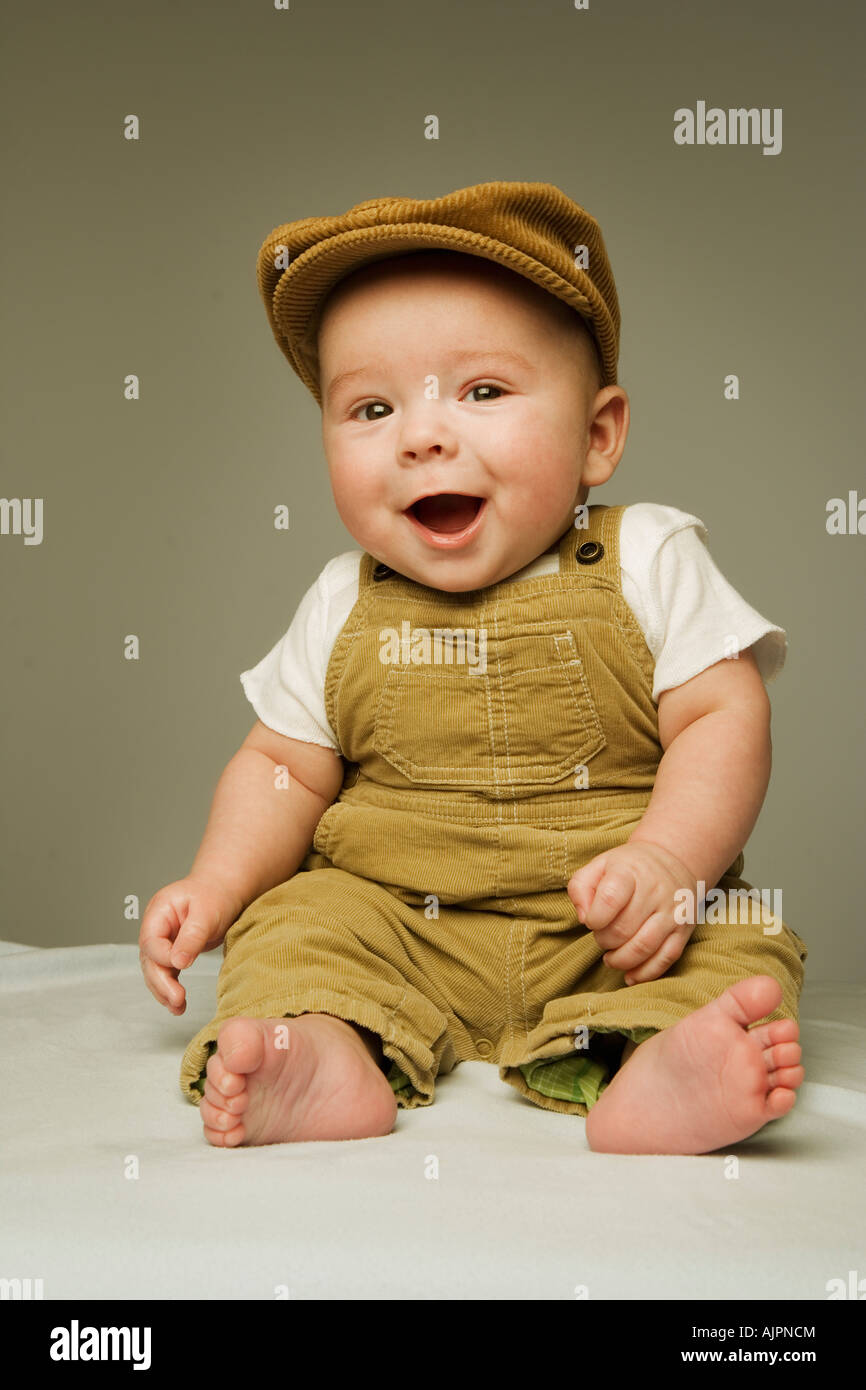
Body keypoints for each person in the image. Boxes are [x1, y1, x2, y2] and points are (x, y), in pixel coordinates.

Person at [139, 180, 808, 1154]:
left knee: (733, 937)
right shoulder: (341, 599)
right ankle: (323, 1050)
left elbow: (721, 717)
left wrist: (669, 863)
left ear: (596, 436)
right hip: (393, 929)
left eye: (482, 391)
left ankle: (654, 1062)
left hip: (615, 936)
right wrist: (216, 880)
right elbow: (280, 765)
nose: (420, 434)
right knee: (292, 923)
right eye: (369, 407)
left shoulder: (648, 558)